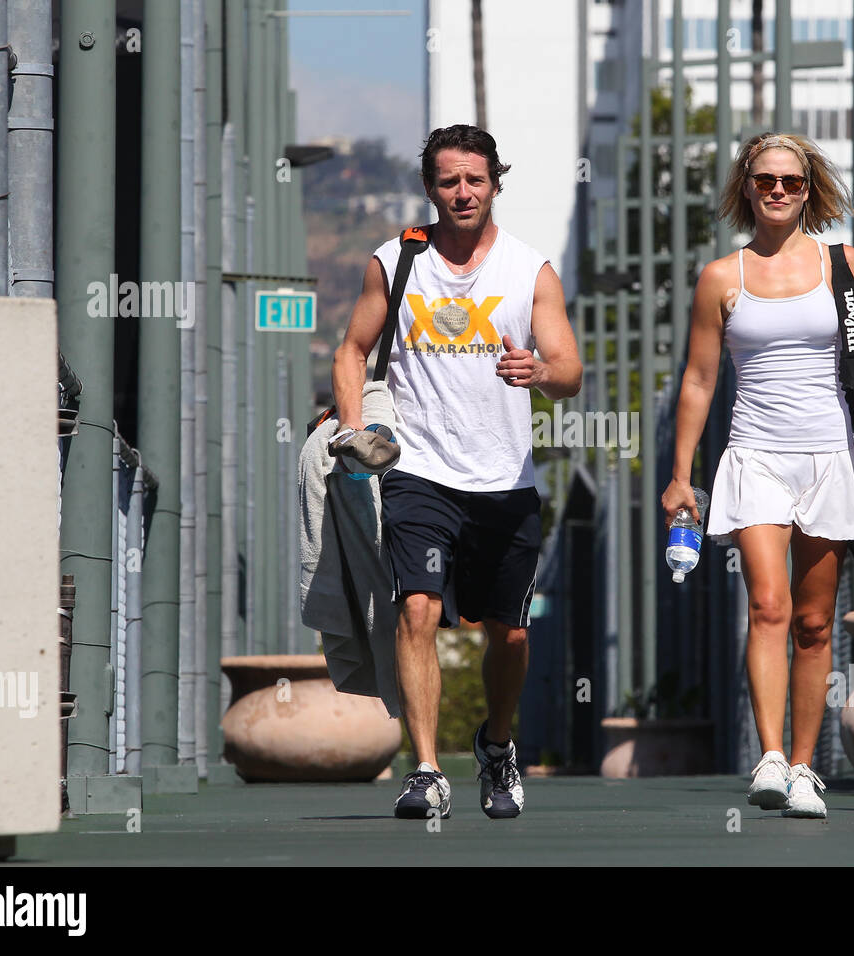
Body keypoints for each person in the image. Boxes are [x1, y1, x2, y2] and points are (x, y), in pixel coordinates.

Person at [332, 125, 582, 820]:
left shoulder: (530, 270)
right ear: (429, 188)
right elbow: (351, 351)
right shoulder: (396, 261)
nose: (462, 193)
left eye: (475, 179)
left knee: (509, 632)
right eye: (449, 181)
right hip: (419, 471)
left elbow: (569, 373)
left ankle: (497, 746)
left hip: (505, 481)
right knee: (418, 609)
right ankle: (426, 769)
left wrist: (538, 370)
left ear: (495, 183)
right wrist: (357, 430)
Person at [661, 133, 854, 819]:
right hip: (756, 456)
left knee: (816, 621)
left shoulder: (840, 263)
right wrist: (682, 475)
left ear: (808, 190)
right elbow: (700, 380)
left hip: (830, 457)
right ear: (747, 187)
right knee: (767, 603)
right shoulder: (721, 277)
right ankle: (768, 756)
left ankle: (803, 768)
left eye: (791, 182)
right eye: (765, 180)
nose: (777, 191)